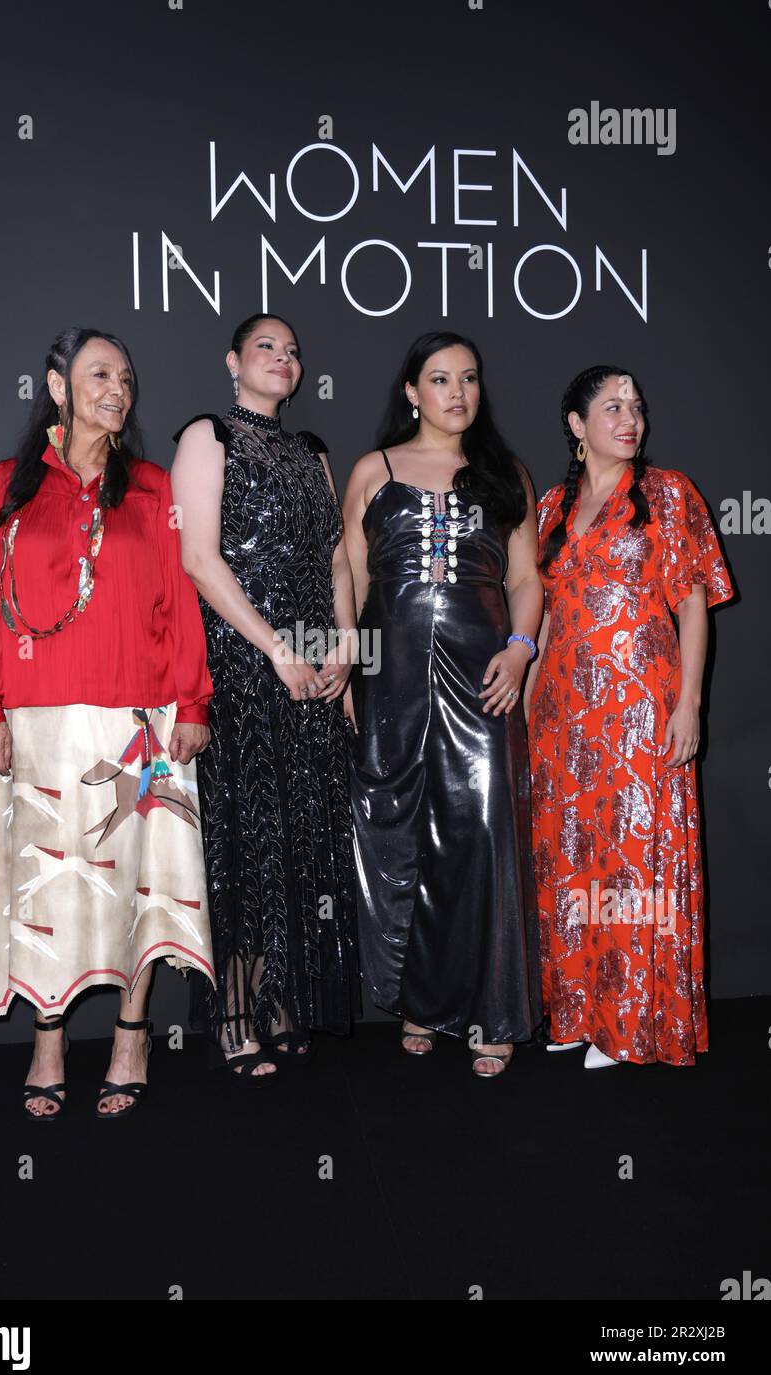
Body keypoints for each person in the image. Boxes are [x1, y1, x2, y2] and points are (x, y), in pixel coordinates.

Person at [0, 327, 214, 1118]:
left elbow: (179, 598)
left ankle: (133, 1035)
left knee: (140, 882)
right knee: (48, 890)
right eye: (100, 374)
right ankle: (49, 1040)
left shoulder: (154, 487)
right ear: (58, 386)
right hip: (41, 724)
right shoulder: (10, 484)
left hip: (139, 723)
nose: (118, 390)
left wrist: (192, 702)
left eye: (127, 378)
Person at [342, 331, 544, 1077]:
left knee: (482, 830)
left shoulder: (504, 474)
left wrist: (520, 651)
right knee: (399, 833)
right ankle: (421, 1000)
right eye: (439, 379)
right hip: (390, 673)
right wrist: (351, 672)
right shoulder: (373, 470)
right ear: (411, 392)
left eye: (468, 378)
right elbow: (352, 582)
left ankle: (491, 1007)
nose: (457, 392)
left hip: (482, 669)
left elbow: (527, 580)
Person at [523, 365, 733, 1069]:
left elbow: (695, 602)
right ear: (577, 427)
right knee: (569, 860)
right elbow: (546, 613)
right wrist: (527, 701)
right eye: (612, 406)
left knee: (633, 866)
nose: (630, 418)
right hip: (561, 714)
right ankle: (577, 1011)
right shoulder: (551, 503)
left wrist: (689, 704)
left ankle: (631, 1021)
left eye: (637, 405)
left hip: (642, 708)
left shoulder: (670, 494)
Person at [170, 313, 359, 1083]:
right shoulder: (206, 436)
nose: (283, 359)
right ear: (233, 362)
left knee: (305, 835)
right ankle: (237, 1014)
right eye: (265, 348)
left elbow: (337, 557)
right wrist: (275, 648)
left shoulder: (313, 452)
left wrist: (348, 641)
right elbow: (200, 560)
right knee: (248, 838)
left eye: (291, 351)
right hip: (247, 668)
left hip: (315, 669)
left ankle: (285, 1001)